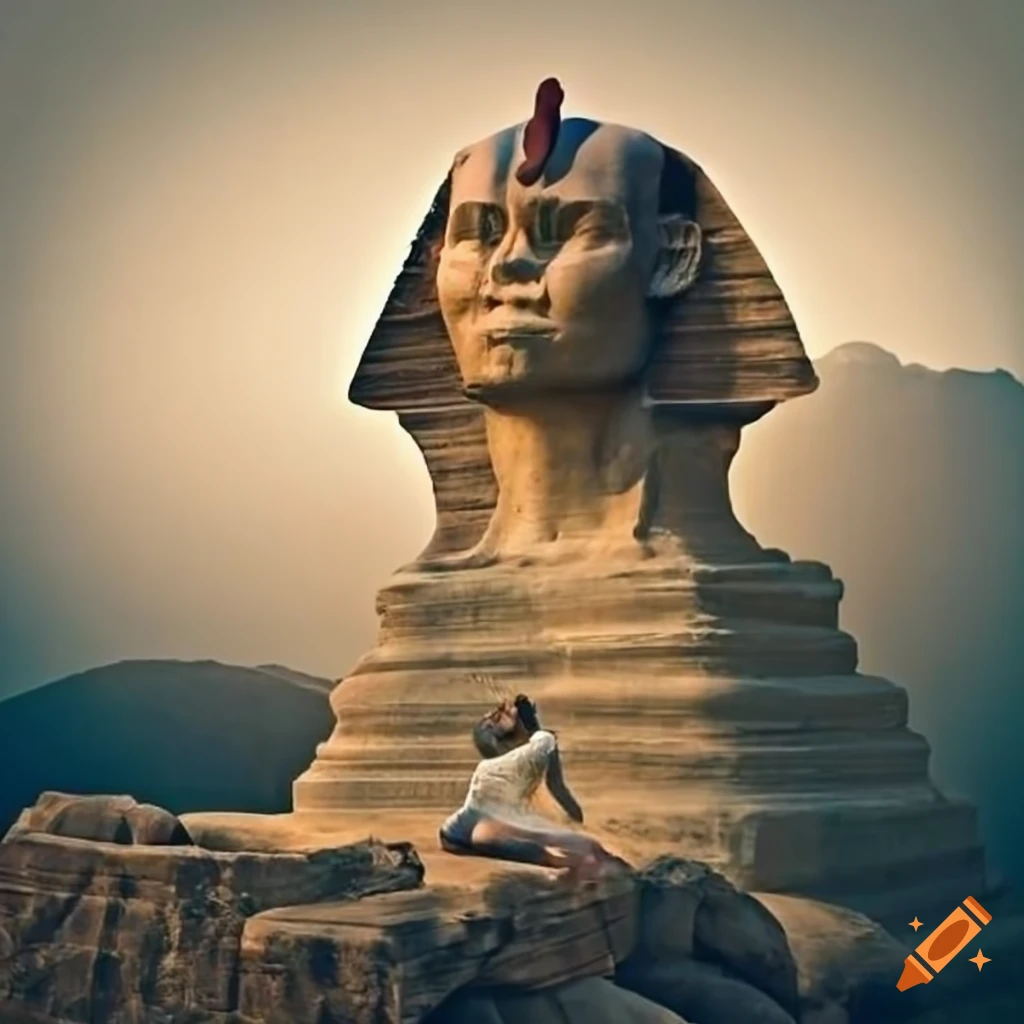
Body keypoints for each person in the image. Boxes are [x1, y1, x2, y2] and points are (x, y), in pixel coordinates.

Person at [439, 691, 620, 879]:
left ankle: (608, 869)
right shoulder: (501, 764)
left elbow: (557, 786)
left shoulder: (536, 747)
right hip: (469, 832)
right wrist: (551, 854)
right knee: (579, 853)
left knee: (587, 847)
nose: (499, 712)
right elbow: (484, 835)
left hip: (487, 825)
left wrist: (574, 822)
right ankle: (597, 871)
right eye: (496, 716)